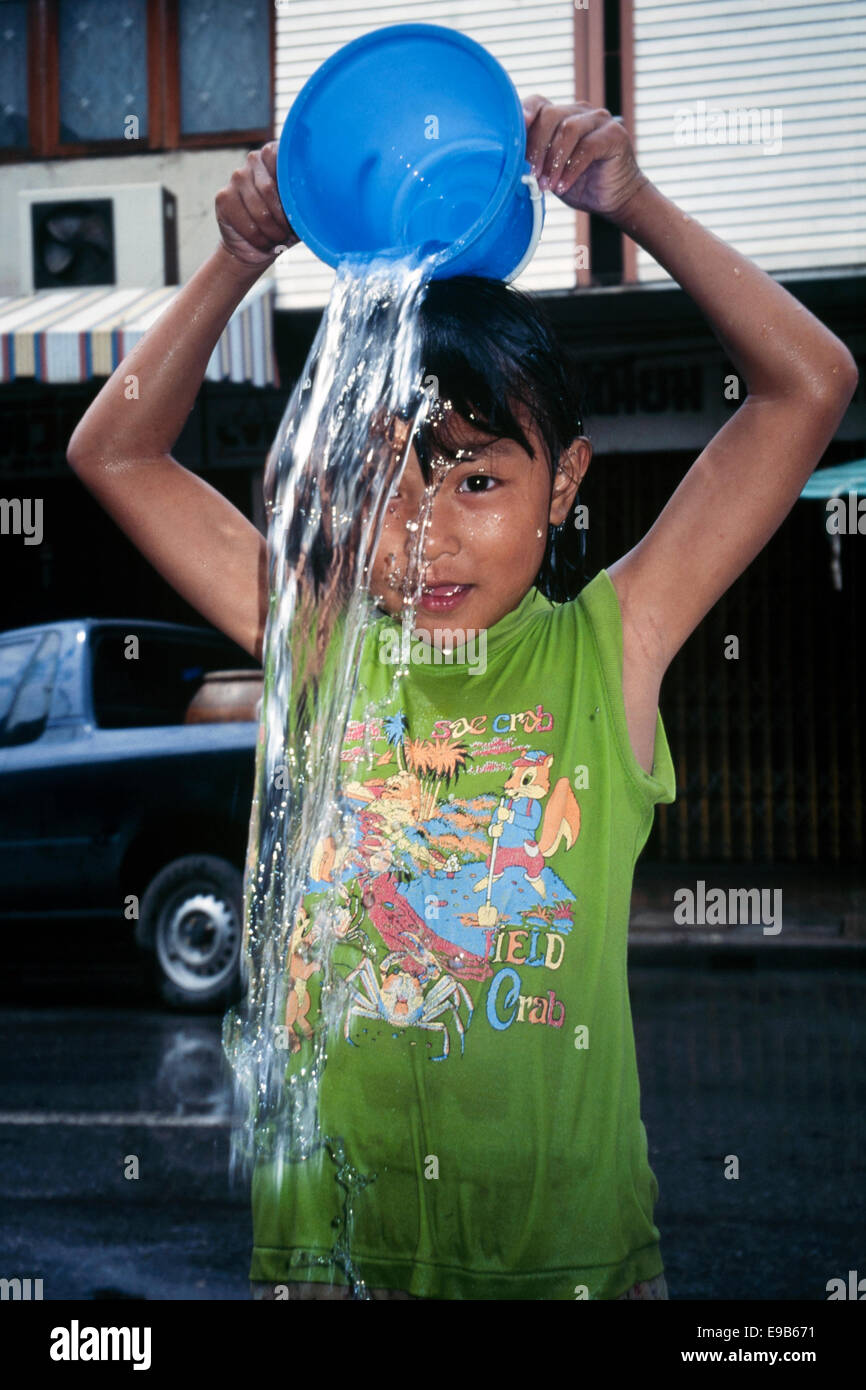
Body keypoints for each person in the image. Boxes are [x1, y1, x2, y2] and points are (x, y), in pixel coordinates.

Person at [66, 100, 857, 1301]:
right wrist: (238, 254)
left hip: (563, 1268)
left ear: (563, 484)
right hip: (329, 1266)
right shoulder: (322, 645)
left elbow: (807, 384)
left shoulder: (610, 648)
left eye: (476, 477)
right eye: (379, 484)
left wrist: (633, 205)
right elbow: (114, 452)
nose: (418, 533)